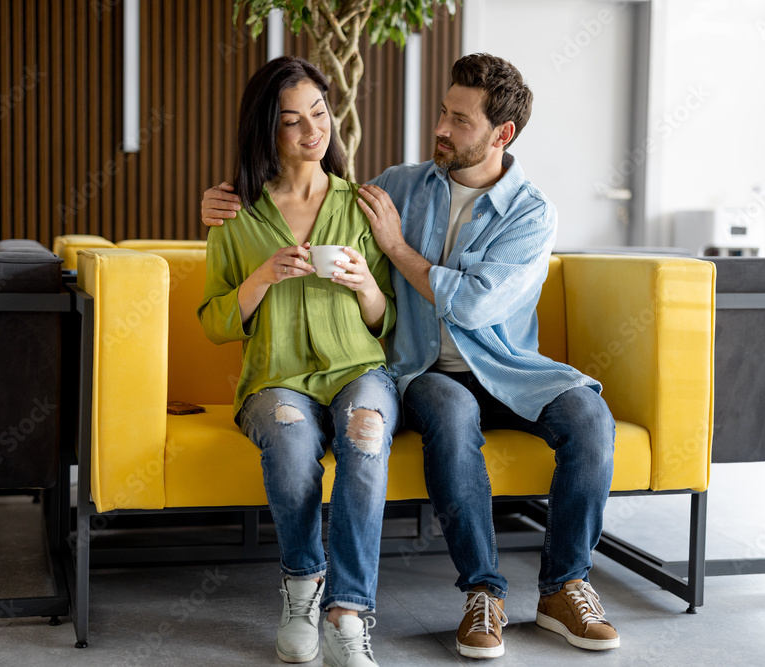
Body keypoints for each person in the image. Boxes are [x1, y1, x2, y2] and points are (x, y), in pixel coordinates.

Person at [202, 53, 619, 660]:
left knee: (590, 418)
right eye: (443, 112)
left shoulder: (531, 212)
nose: (441, 129)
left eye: (460, 120)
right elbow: (309, 189)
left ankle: (565, 586)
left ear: (502, 135)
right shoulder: (396, 185)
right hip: (425, 370)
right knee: (449, 416)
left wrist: (393, 249)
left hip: (506, 369)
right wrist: (220, 201)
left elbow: (472, 307)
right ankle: (483, 593)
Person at [197, 56, 398, 667]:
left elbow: (383, 319)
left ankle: (348, 612)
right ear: (267, 130)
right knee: (288, 445)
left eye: (320, 114)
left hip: (357, 369)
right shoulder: (235, 213)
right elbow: (213, 322)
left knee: (364, 437)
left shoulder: (362, 205)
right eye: (293, 121)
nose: (313, 132)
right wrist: (260, 277)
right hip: (275, 378)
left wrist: (366, 285)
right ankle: (301, 589)